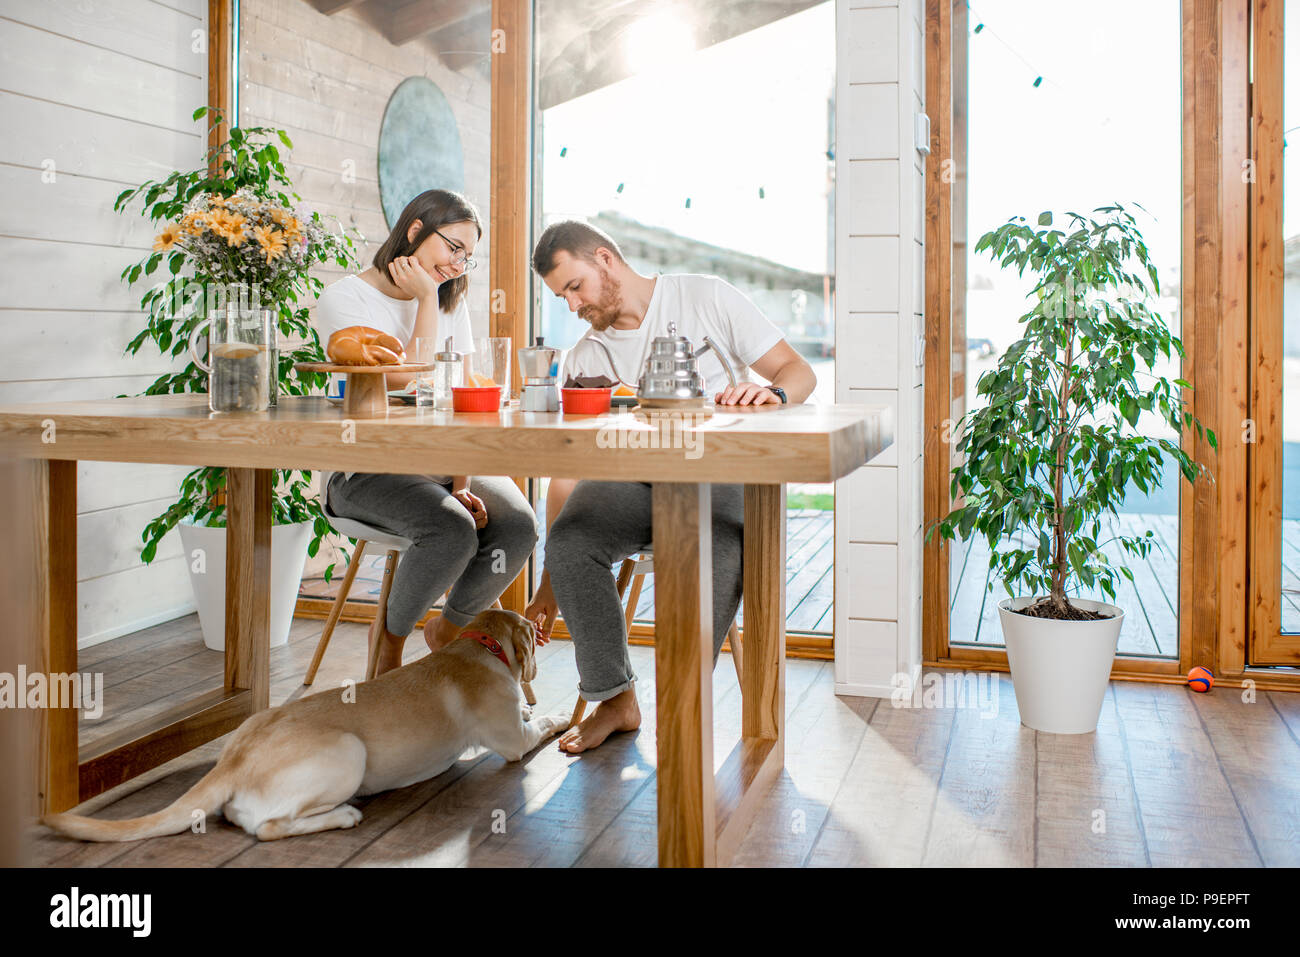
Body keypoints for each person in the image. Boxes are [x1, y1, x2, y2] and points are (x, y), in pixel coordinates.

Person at [523, 220, 817, 753]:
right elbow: (564, 470)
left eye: (574, 286)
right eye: (561, 295)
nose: (572, 306)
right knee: (571, 542)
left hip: (722, 482)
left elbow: (798, 371)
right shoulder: (587, 360)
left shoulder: (703, 296)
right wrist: (548, 584)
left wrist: (770, 392)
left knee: (707, 556)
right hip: (635, 485)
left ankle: (683, 708)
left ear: (605, 260)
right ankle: (616, 700)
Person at [314, 189, 538, 675]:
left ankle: (448, 629)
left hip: (440, 463)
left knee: (520, 523)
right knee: (451, 530)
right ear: (415, 231)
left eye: (468, 257)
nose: (459, 265)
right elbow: (404, 377)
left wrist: (461, 483)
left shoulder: (450, 303)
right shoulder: (344, 299)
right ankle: (388, 641)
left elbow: (462, 401)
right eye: (453, 248)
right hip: (366, 472)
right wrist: (425, 301)